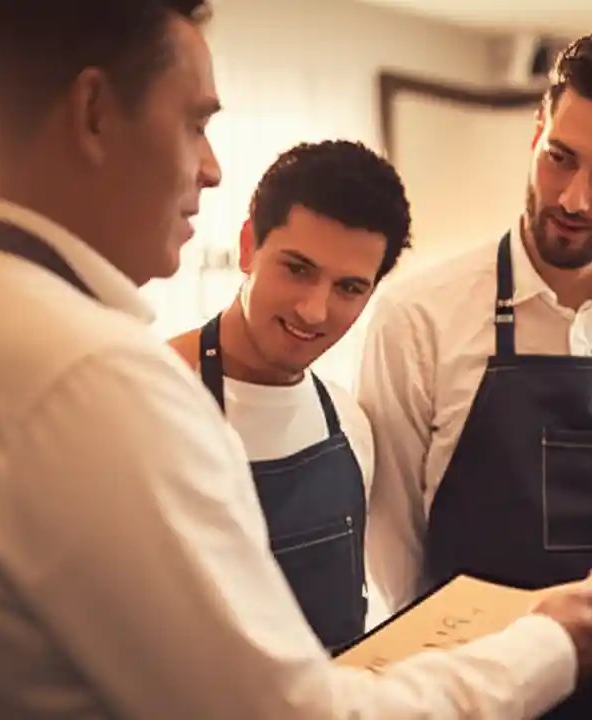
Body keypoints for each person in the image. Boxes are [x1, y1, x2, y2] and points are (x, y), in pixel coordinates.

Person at [0, 1, 592, 717]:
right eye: (196, 123)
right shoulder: (99, 378)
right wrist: (543, 648)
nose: (209, 169)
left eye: (349, 287)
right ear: (93, 112)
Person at [357, 29, 592, 720]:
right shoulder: (419, 316)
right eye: (560, 158)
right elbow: (394, 546)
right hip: (482, 692)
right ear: (536, 136)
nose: (574, 198)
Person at [168, 140, 407, 654]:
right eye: (297, 268)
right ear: (249, 244)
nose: (314, 311)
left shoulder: (349, 424)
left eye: (349, 288)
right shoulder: (152, 397)